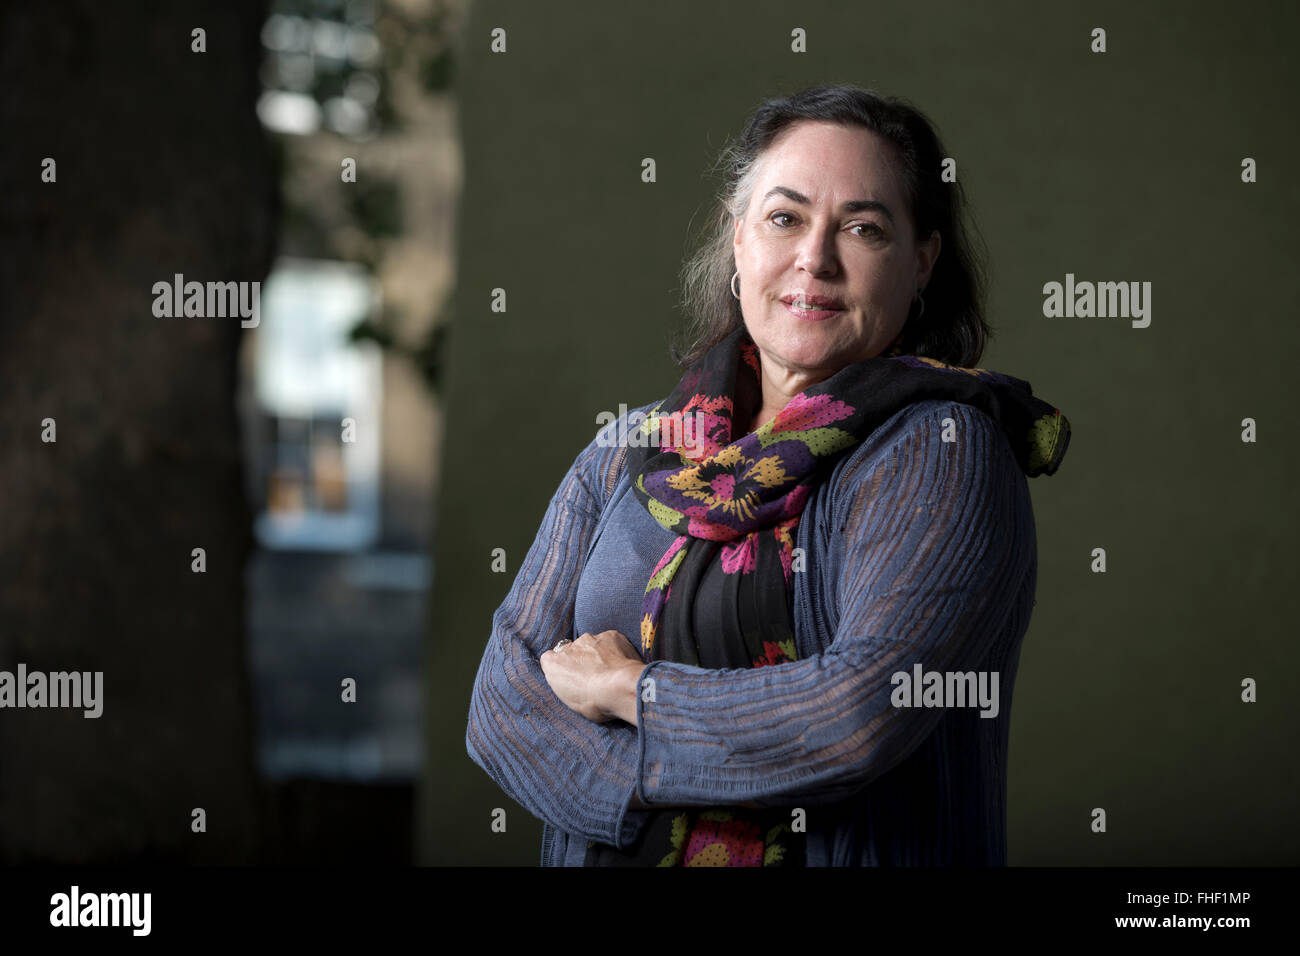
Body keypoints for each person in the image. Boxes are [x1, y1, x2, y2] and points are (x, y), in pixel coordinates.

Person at [466, 84, 1071, 866]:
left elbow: (858, 716)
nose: (813, 259)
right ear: (739, 239)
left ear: (922, 261)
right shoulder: (631, 447)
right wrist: (675, 779)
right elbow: (501, 703)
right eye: (785, 218)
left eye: (863, 228)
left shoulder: (946, 448)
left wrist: (630, 693)